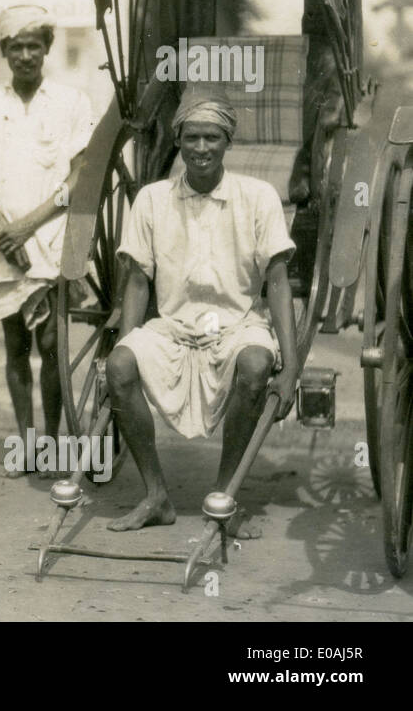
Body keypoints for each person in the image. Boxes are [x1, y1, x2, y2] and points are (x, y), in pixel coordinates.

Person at [105, 90, 297, 536]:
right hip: (172, 327)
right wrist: (122, 347)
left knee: (254, 364)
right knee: (119, 365)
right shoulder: (152, 199)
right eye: (191, 138)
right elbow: (137, 280)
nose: (202, 149)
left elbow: (278, 280)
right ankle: (155, 496)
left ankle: (224, 496)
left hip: (237, 325)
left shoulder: (259, 196)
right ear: (179, 141)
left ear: (228, 142)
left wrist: (291, 368)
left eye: (212, 138)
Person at [0, 5, 95, 475]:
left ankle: (52, 438)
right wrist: (4, 231)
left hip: (51, 235)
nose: (25, 55)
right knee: (15, 344)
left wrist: (28, 226)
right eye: (16, 47)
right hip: (6, 245)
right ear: (4, 51)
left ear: (46, 49)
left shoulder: (71, 102)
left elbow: (79, 176)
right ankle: (24, 443)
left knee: (52, 344)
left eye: (33, 46)